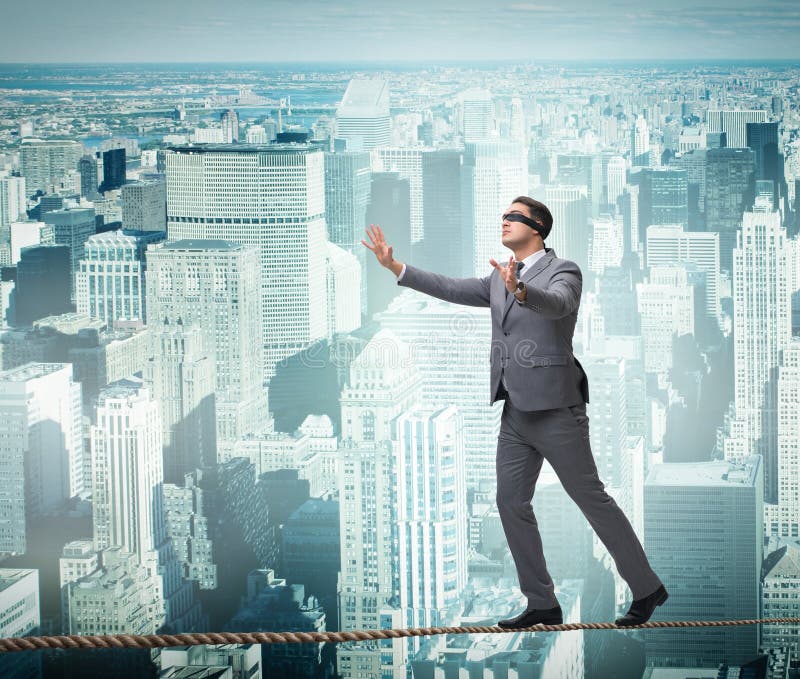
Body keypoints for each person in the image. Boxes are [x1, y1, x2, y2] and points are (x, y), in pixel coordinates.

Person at [361, 195, 668, 629]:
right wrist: (396, 268)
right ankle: (542, 602)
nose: (503, 221)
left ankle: (646, 587)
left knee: (590, 498)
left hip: (558, 409)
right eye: (502, 215)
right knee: (509, 501)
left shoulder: (564, 271)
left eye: (513, 217)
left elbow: (558, 303)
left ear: (538, 226)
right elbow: (450, 287)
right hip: (516, 413)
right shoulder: (498, 276)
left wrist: (520, 289)